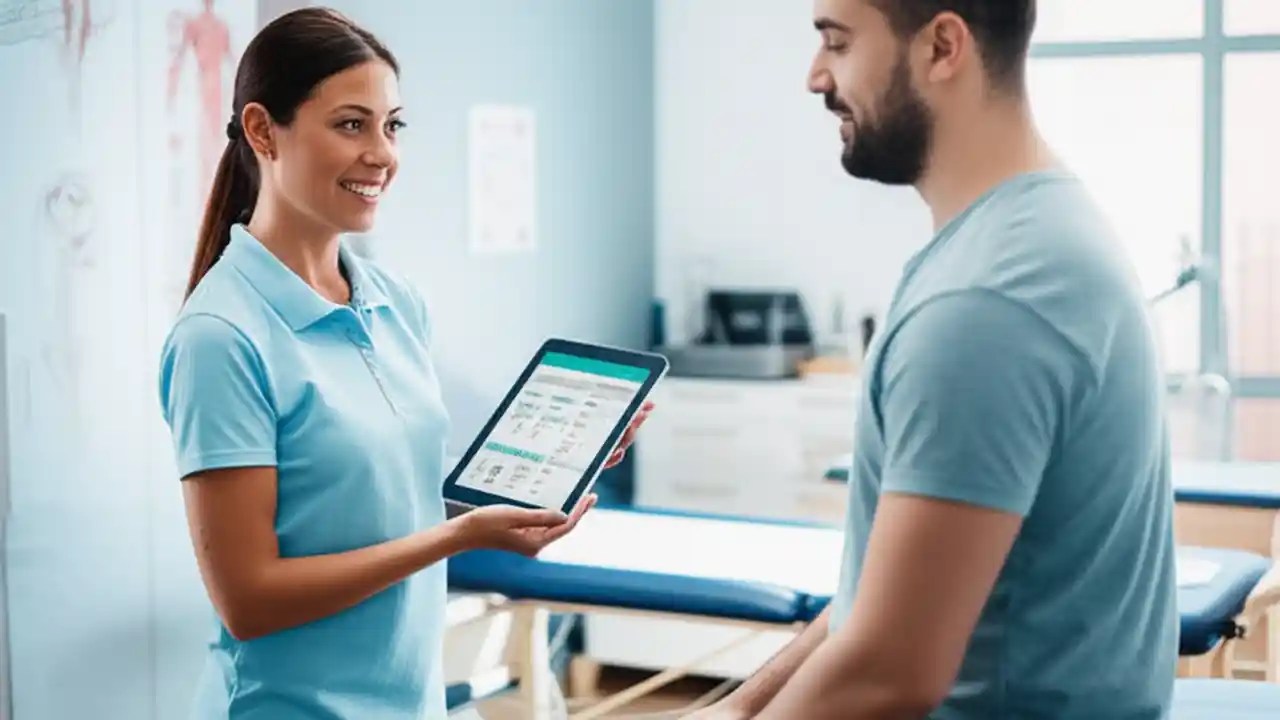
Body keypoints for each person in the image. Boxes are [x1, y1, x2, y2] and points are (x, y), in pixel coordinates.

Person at [157, 8, 649, 718]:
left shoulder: (396, 302)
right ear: (264, 131)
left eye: (393, 126)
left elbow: (389, 505)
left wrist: (534, 479)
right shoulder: (220, 337)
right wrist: (456, 537)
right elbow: (250, 601)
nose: (382, 154)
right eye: (351, 124)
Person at [689, 1, 1177, 718]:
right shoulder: (1027, 236)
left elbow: (890, 673)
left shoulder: (987, 302)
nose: (815, 76)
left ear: (943, 47)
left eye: (838, 43)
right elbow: (886, 609)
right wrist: (734, 710)